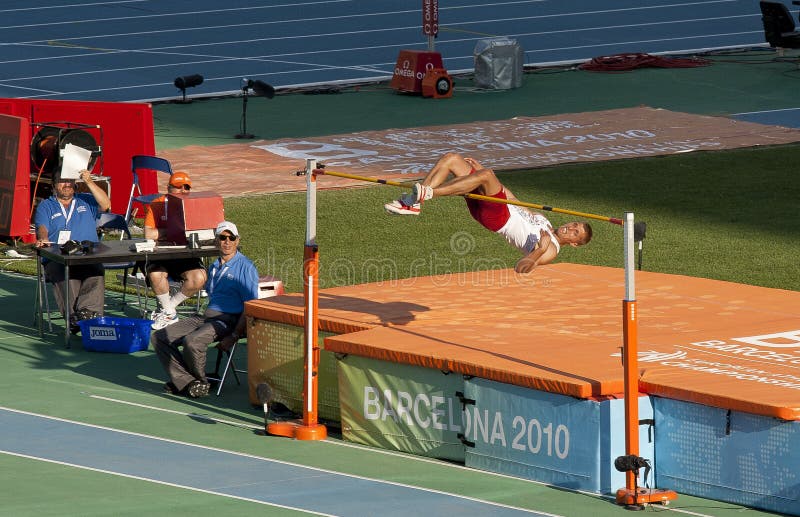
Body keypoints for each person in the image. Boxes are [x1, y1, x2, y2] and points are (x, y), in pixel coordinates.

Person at [385, 152, 592, 273]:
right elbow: (513, 200)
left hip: (499, 218)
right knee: (452, 159)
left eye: (575, 233)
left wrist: (539, 250)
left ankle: (428, 194)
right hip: (497, 206)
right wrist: (484, 174)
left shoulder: (552, 249)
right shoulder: (545, 222)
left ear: (574, 244)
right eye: (574, 224)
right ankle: (413, 202)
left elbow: (521, 268)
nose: (570, 228)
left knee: (487, 175)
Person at [152, 221, 259, 398]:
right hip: (206, 317)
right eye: (223, 237)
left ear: (237, 241)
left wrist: (234, 336)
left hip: (227, 320)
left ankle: (200, 382)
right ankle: (188, 382)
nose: (227, 241)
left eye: (231, 237)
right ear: (216, 241)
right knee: (159, 337)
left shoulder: (245, 267)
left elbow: (250, 305)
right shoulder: (214, 266)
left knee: (192, 341)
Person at [34, 169, 111, 333]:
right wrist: (43, 238)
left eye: (70, 181)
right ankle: (74, 321)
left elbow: (106, 204)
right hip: (57, 258)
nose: (67, 184)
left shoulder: (86, 201)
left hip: (86, 256)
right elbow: (42, 228)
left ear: (75, 184)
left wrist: (89, 182)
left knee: (96, 272)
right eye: (62, 181)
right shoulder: (46, 205)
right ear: (54, 185)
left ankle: (87, 316)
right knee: (68, 276)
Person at [141, 171, 208, 330]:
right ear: (168, 188)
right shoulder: (157, 204)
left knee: (199, 277)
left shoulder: (194, 204)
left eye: (186, 188)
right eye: (178, 188)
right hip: (161, 255)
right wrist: (174, 232)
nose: (183, 191)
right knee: (156, 275)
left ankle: (168, 311)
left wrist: (162, 232)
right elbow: (148, 233)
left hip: (185, 255)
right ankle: (169, 312)